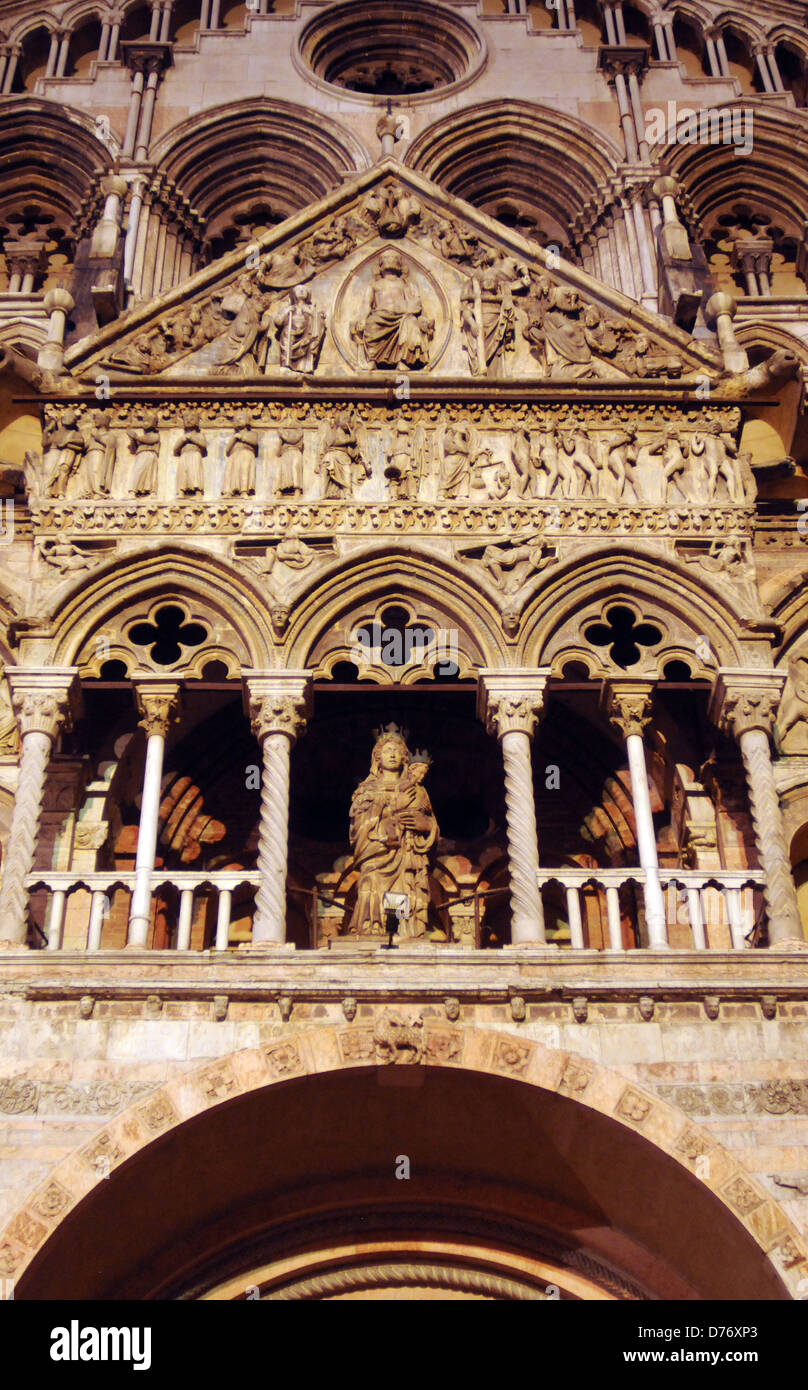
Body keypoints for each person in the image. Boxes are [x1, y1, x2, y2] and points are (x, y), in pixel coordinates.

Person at [348, 727, 438, 938]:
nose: (392, 754)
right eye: (387, 750)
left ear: (404, 758)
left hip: (407, 853)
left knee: (403, 889)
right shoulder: (366, 789)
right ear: (377, 757)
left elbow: (431, 823)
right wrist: (388, 813)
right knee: (370, 882)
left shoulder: (418, 791)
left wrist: (426, 825)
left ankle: (400, 930)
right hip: (376, 851)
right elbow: (358, 824)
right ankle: (372, 927)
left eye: (397, 751)